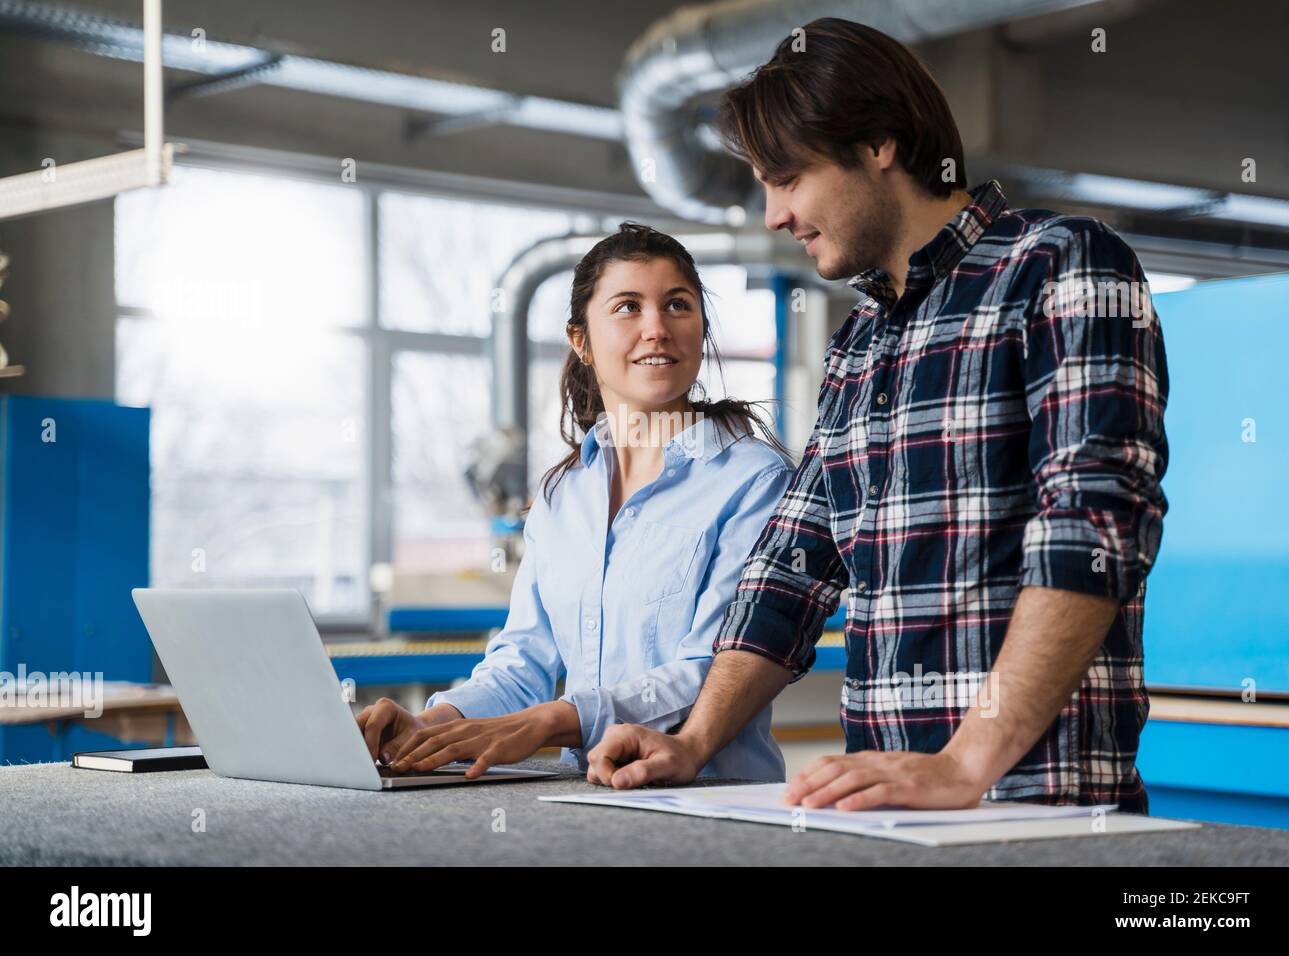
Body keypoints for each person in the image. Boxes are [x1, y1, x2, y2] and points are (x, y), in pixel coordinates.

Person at [588, 17, 1170, 814]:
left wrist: (966, 764)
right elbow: (789, 570)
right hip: (887, 807)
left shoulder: (1062, 265)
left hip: (1038, 808)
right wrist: (693, 741)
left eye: (787, 177)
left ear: (879, 143)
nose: (772, 215)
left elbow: (1095, 525)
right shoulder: (859, 343)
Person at [356, 222, 792, 780]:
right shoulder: (563, 495)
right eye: (628, 307)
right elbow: (521, 662)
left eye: (677, 305)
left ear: (701, 329)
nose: (656, 328)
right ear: (581, 341)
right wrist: (434, 723)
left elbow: (716, 669)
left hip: (715, 799)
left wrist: (549, 722)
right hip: (588, 796)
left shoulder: (755, 480)